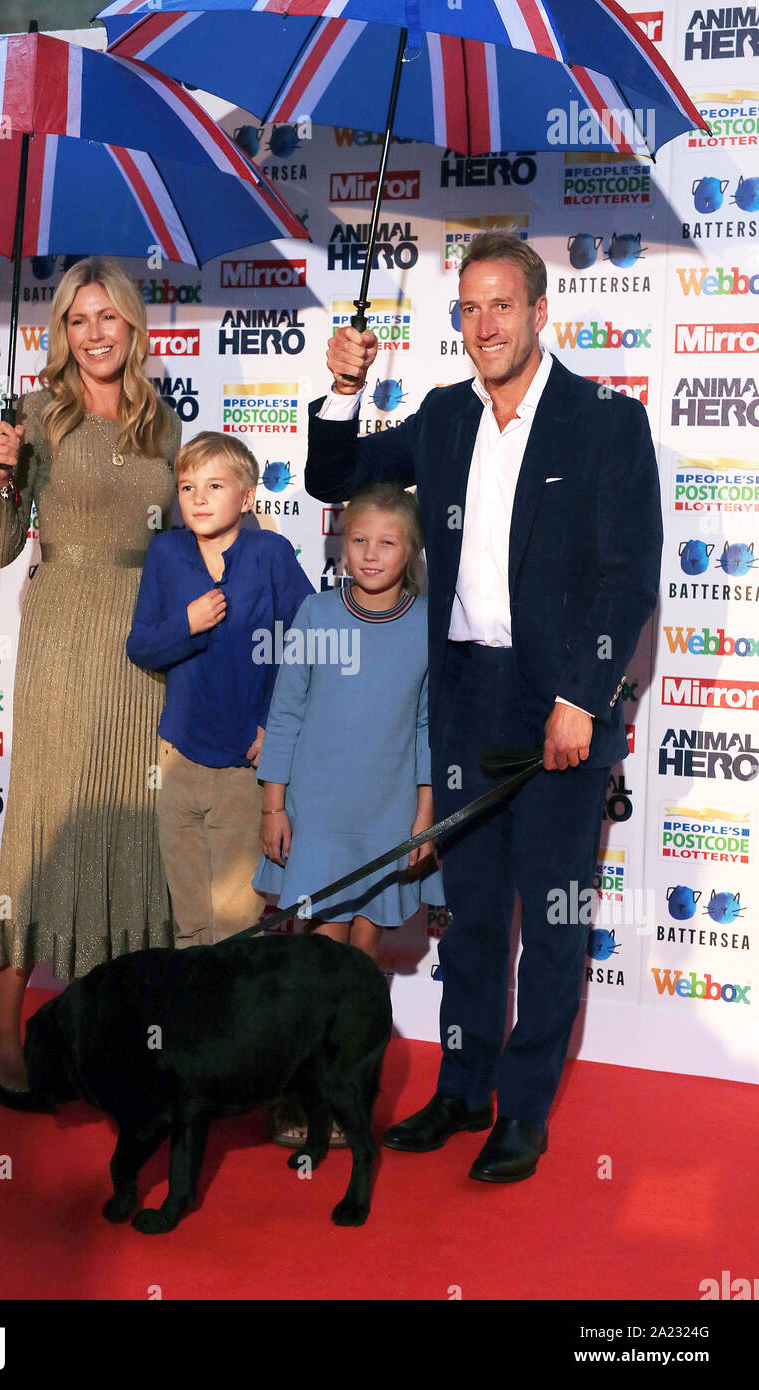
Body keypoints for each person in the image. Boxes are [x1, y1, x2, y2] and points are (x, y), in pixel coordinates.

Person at [305, 231, 662, 1182]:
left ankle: (523, 1110)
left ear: (540, 313)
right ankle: (460, 1090)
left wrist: (581, 698)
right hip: (465, 695)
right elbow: (330, 480)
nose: (483, 324)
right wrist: (342, 390)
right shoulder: (441, 415)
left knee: (548, 920)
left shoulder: (604, 422)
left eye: (501, 304)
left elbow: (628, 583)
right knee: (468, 912)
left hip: (561, 705)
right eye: (467, 308)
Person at [0, 256, 181, 1109]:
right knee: (46, 824)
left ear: (133, 327)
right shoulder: (31, 417)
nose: (94, 334)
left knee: (132, 832)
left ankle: (114, 1035)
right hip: (63, 633)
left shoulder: (160, 423)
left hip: (146, 646)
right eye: (77, 319)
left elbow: (178, 534)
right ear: (59, 332)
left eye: (108, 318)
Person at [254, 483, 444, 1145]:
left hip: (388, 819)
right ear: (340, 543)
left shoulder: (425, 626)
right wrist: (272, 804)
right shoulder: (315, 613)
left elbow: (427, 726)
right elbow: (285, 713)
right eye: (358, 540)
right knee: (315, 968)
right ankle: (295, 1097)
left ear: (412, 550)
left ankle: (345, 1098)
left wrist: (424, 816)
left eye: (387, 542)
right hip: (317, 816)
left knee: (361, 973)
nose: (370, 554)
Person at [126, 431, 313, 948]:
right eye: (186, 488)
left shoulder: (270, 553)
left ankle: (234, 1026)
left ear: (247, 497)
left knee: (236, 924)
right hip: (179, 757)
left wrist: (273, 726)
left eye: (214, 485)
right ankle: (193, 1028)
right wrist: (186, 622)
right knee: (189, 923)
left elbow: (304, 644)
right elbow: (140, 645)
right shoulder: (165, 552)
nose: (198, 499)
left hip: (244, 767)